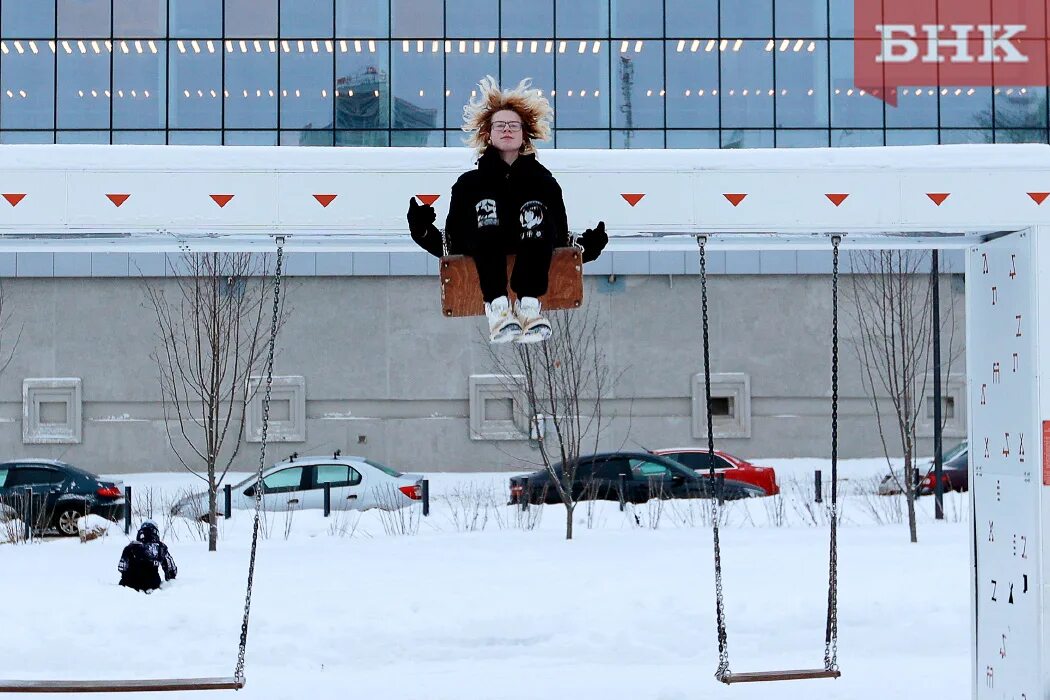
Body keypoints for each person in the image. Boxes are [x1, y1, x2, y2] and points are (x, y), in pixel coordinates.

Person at [407, 75, 608, 344]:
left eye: (514, 125)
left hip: (530, 246)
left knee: (533, 210)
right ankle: (498, 308)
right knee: (487, 210)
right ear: (488, 133)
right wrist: (421, 230)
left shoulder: (544, 182)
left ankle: (528, 307)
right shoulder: (469, 184)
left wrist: (587, 248)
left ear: (525, 133)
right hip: (485, 246)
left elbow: (558, 239)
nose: (507, 130)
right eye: (499, 125)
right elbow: (452, 245)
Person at [118, 519, 177, 593]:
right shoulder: (161, 547)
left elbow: (121, 568)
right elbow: (171, 569)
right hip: (151, 584)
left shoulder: (130, 547)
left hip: (129, 584)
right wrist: (170, 579)